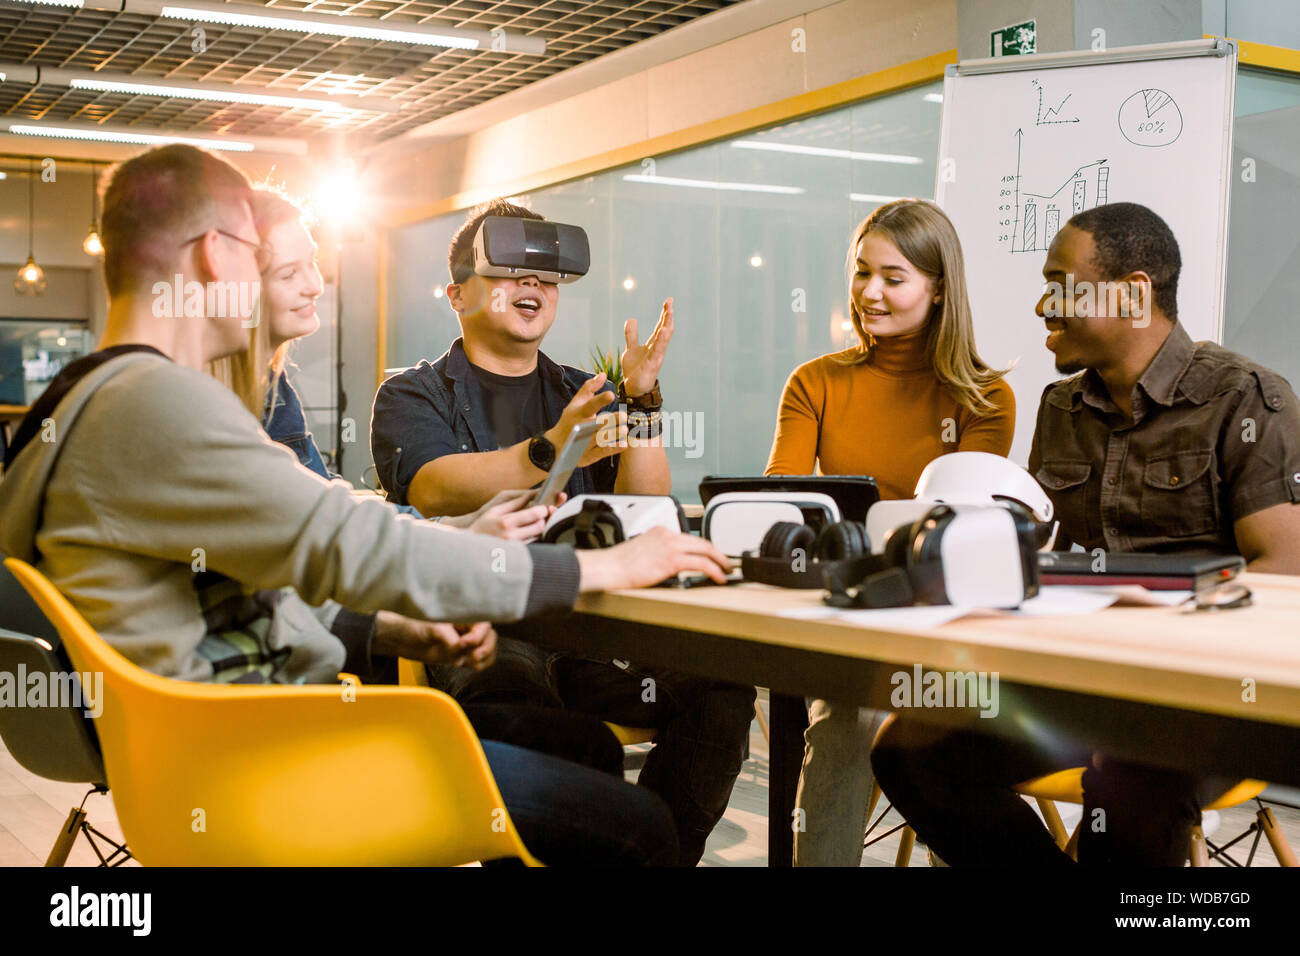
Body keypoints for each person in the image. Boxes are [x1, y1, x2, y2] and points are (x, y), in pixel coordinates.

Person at [0, 144, 735, 866]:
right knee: (640, 828)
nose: (290, 286)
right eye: (264, 259)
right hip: (260, 765)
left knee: (582, 748)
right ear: (211, 258)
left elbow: (245, 588)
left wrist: (393, 630)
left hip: (220, 747)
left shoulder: (78, 404)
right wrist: (601, 569)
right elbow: (353, 540)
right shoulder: (159, 404)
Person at [871, 201, 1300, 866]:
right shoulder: (1062, 406)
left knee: (1130, 770)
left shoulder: (1245, 399)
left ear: (1131, 294)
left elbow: (1286, 570)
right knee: (911, 747)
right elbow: (1041, 557)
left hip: (1200, 700)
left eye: (1059, 283)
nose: (1045, 306)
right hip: (1079, 686)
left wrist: (1159, 625)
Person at [370, 198, 756, 866]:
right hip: (488, 635)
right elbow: (434, 485)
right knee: (542, 721)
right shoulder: (413, 394)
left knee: (723, 679)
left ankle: (657, 851)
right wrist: (554, 446)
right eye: (512, 272)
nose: (533, 287)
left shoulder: (582, 388)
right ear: (457, 292)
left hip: (592, 640)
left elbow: (643, 504)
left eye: (545, 279)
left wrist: (640, 404)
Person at [209, 187, 628, 776]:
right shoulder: (197, 407)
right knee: (584, 764)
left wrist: (415, 594)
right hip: (250, 727)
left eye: (315, 267)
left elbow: (322, 523)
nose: (316, 286)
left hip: (575, 627)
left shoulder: (270, 397)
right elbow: (313, 540)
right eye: (293, 270)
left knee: (657, 723)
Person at [765, 198, 1015, 866]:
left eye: (894, 277)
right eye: (861, 272)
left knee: (932, 731)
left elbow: (964, 532)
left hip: (950, 627)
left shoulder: (984, 397)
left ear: (938, 289)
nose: (870, 293)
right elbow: (783, 503)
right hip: (853, 618)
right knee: (847, 722)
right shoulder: (815, 382)